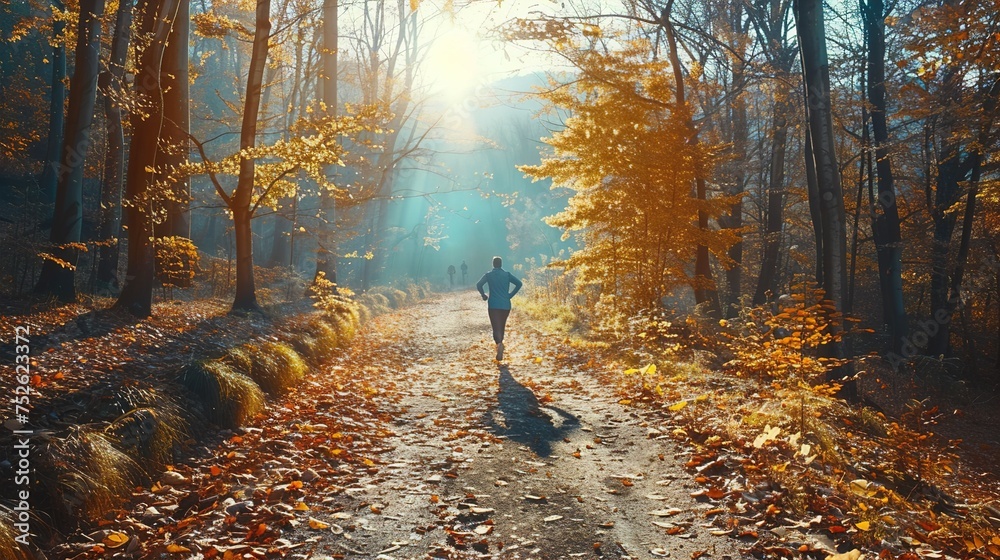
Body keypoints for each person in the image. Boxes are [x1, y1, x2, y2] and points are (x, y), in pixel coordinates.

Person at [476, 256, 522, 361]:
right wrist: (510, 295)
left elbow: (479, 285)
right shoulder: (507, 275)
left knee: (495, 327)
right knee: (502, 325)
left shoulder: (489, 275)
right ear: (501, 264)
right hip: (505, 305)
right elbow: (519, 284)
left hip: (493, 305)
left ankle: (499, 344)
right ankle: (500, 343)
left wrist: (483, 295)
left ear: (493, 264)